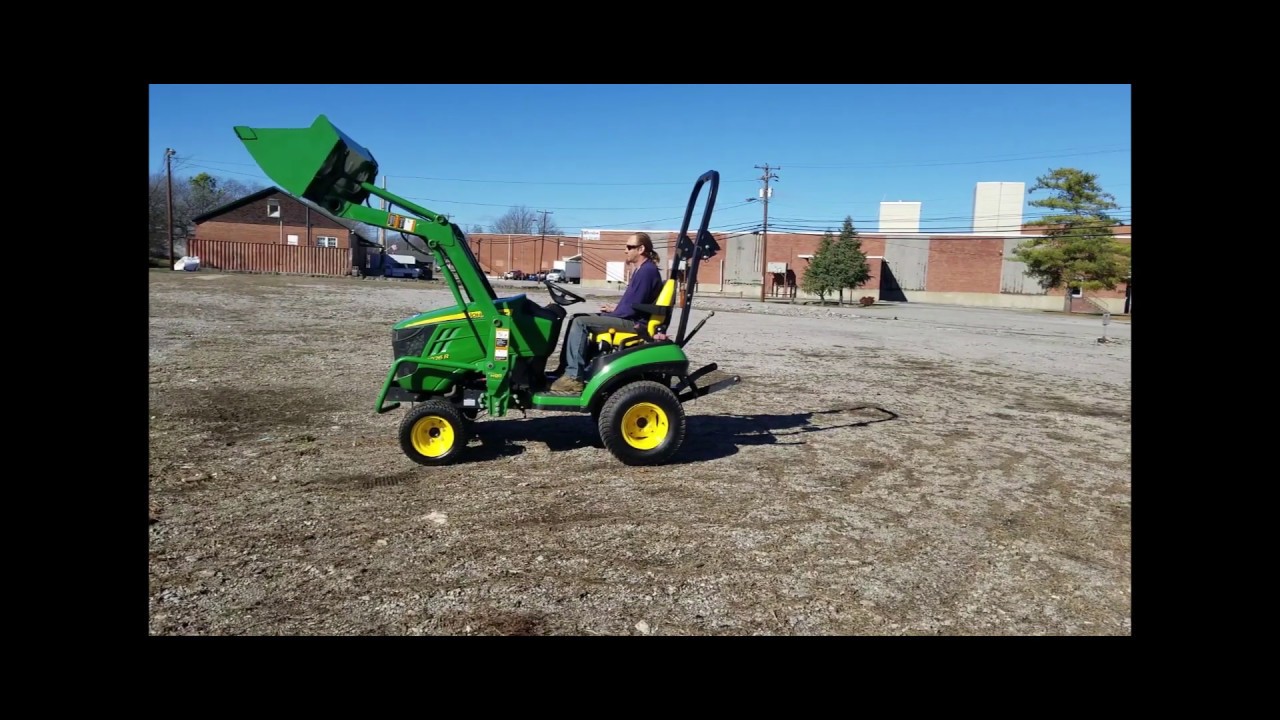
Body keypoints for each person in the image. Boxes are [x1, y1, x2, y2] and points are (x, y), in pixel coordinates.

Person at [551, 232, 663, 392]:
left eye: (629, 247)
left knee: (580, 322)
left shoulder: (646, 272)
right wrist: (614, 309)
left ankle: (574, 377)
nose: (626, 250)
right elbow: (633, 303)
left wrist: (610, 315)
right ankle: (566, 370)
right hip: (629, 317)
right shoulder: (642, 270)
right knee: (577, 317)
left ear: (641, 249)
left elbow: (632, 309)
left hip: (634, 323)